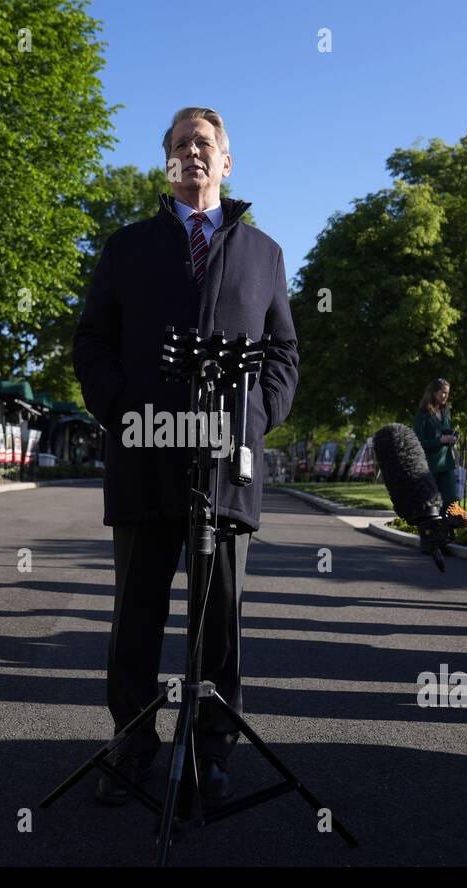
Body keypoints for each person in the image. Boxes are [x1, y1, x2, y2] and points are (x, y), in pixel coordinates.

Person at [73, 106, 299, 806]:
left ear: (227, 162)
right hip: (144, 456)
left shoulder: (263, 253)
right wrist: (121, 411)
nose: (193, 154)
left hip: (227, 465)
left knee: (218, 620)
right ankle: (132, 743)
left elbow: (283, 352)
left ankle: (210, 751)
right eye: (180, 145)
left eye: (205, 144)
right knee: (136, 613)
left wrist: (254, 418)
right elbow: (92, 344)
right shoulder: (128, 246)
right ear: (166, 162)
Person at [413, 378, 459, 509]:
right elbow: (418, 443)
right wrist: (439, 441)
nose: (445, 396)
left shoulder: (446, 412)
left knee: (451, 501)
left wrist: (452, 438)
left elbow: (444, 432)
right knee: (430, 504)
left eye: (447, 393)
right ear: (433, 392)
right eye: (442, 392)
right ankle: (433, 528)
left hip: (446, 464)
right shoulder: (422, 415)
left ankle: (448, 528)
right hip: (430, 466)